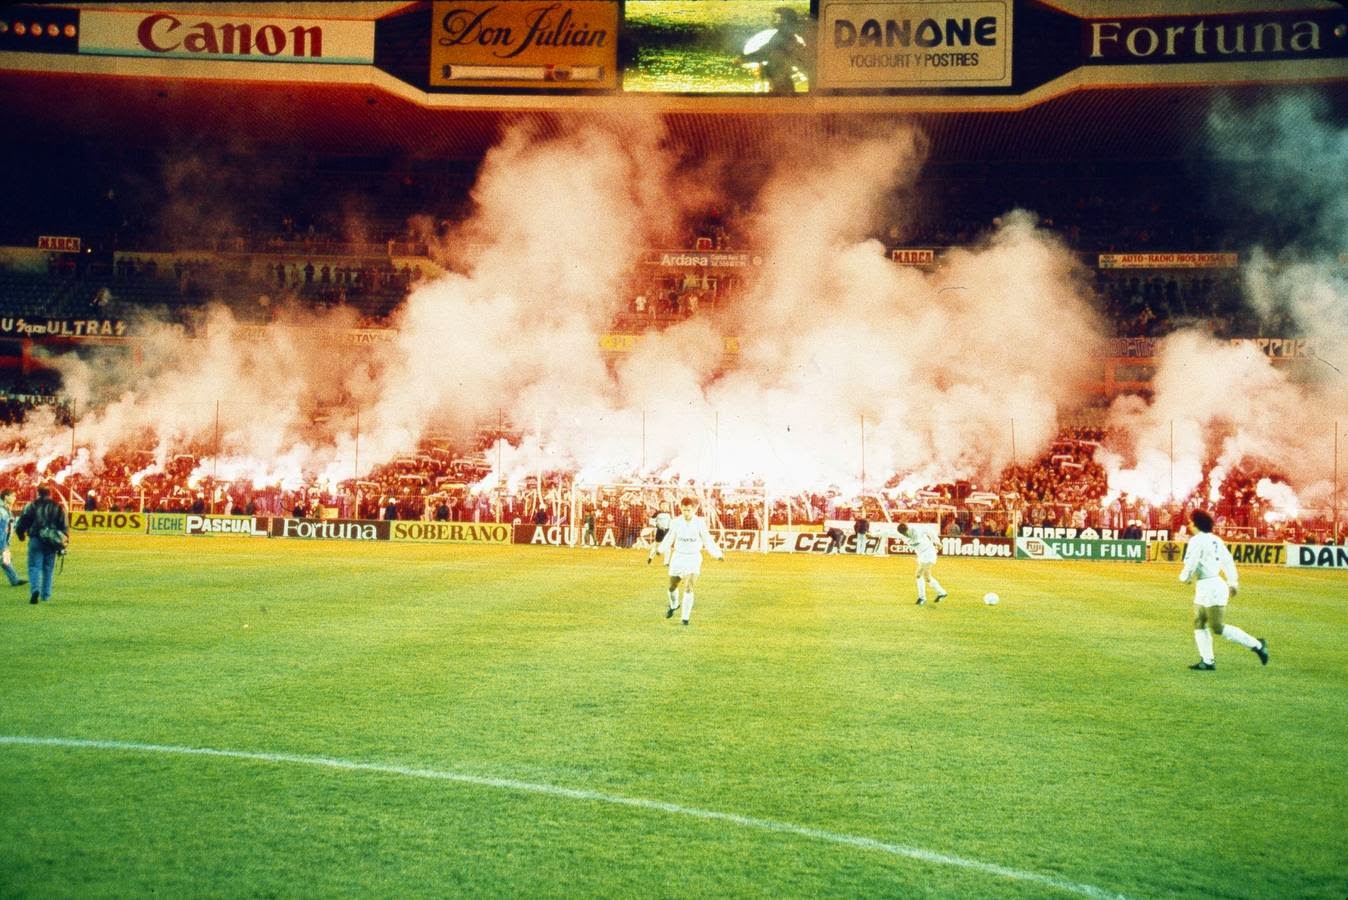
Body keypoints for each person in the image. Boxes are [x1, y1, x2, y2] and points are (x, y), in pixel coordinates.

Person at [1180, 509, 1268, 671]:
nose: (1189, 524)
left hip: (1211, 586)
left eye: (1191, 521)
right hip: (1208, 584)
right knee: (1199, 621)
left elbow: (1192, 562)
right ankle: (1207, 661)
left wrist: (1185, 577)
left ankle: (1257, 645)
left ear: (1196, 523)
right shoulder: (1215, 540)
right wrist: (1232, 581)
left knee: (1217, 626)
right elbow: (1228, 561)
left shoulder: (1197, 540)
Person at [655, 496, 725, 626]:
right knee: (672, 587)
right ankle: (674, 604)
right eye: (683, 510)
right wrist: (661, 549)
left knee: (689, 586)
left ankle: (685, 619)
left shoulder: (700, 523)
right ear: (681, 509)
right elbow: (670, 537)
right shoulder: (676, 522)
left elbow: (707, 539)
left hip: (693, 557)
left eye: (688, 510)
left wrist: (717, 554)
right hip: (678, 557)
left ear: (693, 509)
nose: (686, 513)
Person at [15, 485, 68, 605]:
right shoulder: (58, 506)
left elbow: (23, 521)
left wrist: (21, 534)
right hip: (52, 540)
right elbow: (64, 526)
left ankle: (35, 590)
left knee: (34, 567)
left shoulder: (31, 505)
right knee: (48, 569)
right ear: (50, 494)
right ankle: (46, 595)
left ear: (38, 493)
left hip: (36, 539)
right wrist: (63, 543)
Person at [897, 522, 947, 606]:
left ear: (907, 529)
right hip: (921, 555)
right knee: (927, 577)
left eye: (905, 533)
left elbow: (929, 530)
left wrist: (936, 541)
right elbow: (887, 532)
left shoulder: (916, 529)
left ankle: (922, 598)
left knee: (918, 574)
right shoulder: (901, 534)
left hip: (929, 552)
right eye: (903, 534)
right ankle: (942, 592)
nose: (905, 535)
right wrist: (873, 534)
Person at [0, 489, 28, 589]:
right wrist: (2, 544)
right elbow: (1, 528)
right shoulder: (1, 509)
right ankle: (15, 580)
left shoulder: (5, 508)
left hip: (4, 540)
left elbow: (10, 523)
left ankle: (14, 580)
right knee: (4, 559)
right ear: (6, 497)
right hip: (1, 540)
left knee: (5, 560)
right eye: (13, 496)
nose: (15, 498)